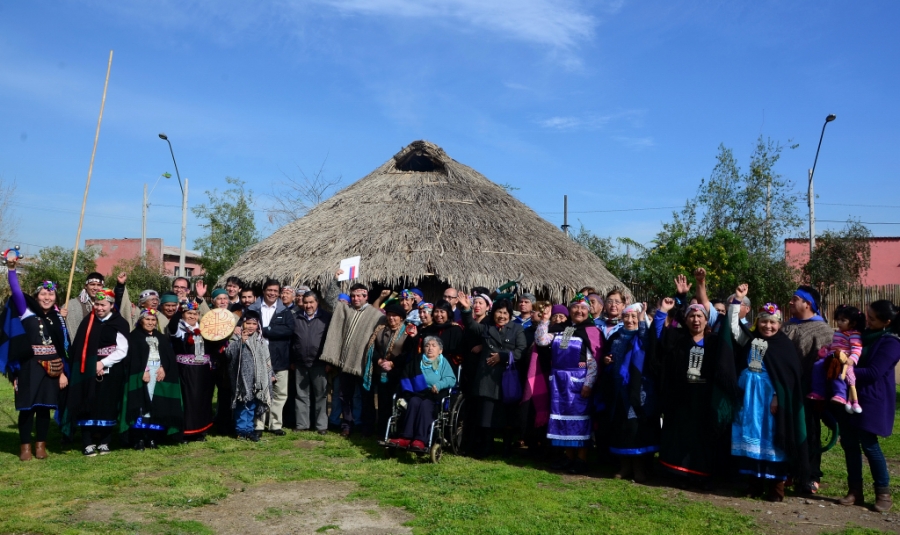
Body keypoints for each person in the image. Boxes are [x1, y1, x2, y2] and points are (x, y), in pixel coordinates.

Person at [729, 285, 809, 502]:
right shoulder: (751, 339)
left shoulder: (784, 346)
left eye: (773, 322)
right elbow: (734, 327)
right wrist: (738, 299)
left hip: (770, 400)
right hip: (748, 398)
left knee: (771, 438)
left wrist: (776, 396)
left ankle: (776, 488)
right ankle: (753, 484)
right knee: (750, 437)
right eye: (764, 321)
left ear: (780, 324)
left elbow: (788, 377)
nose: (768, 325)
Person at [654, 289, 737, 483]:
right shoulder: (677, 339)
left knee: (702, 437)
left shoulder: (715, 342)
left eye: (700, 316)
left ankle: (700, 475)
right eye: (692, 316)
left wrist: (736, 302)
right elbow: (658, 336)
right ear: (686, 319)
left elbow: (730, 330)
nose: (696, 320)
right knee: (678, 435)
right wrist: (670, 306)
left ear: (707, 320)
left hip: (704, 397)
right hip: (680, 397)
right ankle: (674, 472)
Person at [837, 300, 899, 512]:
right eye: (868, 315)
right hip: (850, 396)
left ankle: (883, 492)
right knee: (849, 444)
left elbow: (874, 372)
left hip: (871, 399)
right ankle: (855, 491)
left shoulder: (891, 343)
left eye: (872, 318)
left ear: (887, 322)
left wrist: (845, 371)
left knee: (869, 445)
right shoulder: (861, 335)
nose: (867, 320)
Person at [4, 257, 68, 461]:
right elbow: (15, 290)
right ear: (36, 295)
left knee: (44, 408)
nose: (47, 297)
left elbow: (63, 348)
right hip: (30, 366)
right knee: (27, 408)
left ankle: (40, 445)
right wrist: (11, 268)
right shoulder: (26, 311)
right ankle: (25, 447)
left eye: (51, 293)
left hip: (53, 366)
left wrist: (63, 373)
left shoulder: (59, 318)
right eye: (43, 293)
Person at [535, 294, 602, 474]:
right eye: (575, 307)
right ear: (569, 309)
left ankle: (581, 459)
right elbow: (541, 341)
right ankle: (569, 457)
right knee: (564, 420)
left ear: (588, 312)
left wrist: (589, 384)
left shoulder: (592, 331)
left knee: (580, 421)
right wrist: (545, 320)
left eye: (583, 309)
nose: (579, 311)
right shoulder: (562, 329)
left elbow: (593, 361)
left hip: (579, 382)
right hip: (559, 383)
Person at [458, 293, 527, 458]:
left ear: (510, 315)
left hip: (507, 380)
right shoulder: (487, 328)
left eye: (505, 313)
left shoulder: (517, 329)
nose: (502, 316)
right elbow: (471, 326)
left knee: (507, 417)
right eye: (499, 312)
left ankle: (506, 449)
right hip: (487, 379)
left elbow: (521, 351)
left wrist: (502, 356)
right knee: (486, 417)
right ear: (493, 313)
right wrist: (467, 309)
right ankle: (487, 447)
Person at [781, 285, 834, 494]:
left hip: (810, 390)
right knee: (786, 430)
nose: (791, 302)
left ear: (807, 304)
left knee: (809, 432)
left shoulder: (823, 331)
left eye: (795, 299)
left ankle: (811, 475)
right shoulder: (786, 326)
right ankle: (789, 472)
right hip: (786, 388)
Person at [68, 288, 130, 456]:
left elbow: (122, 350)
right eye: (97, 304)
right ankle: (87, 442)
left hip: (112, 370)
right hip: (87, 370)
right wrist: (92, 365)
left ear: (111, 305)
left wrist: (102, 363)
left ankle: (105, 441)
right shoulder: (88, 322)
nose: (99, 308)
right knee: (87, 403)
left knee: (107, 404)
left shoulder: (120, 323)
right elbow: (80, 347)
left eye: (103, 305)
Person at [321, 281, 386, 437]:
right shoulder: (346, 309)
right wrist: (336, 282)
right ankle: (347, 424)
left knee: (366, 397)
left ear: (366, 296)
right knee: (345, 396)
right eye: (353, 296)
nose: (356, 299)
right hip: (345, 363)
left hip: (364, 363)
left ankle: (366, 427)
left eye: (359, 296)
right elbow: (330, 300)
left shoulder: (375, 315)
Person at [605, 303, 659, 482]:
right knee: (621, 428)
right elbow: (608, 358)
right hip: (619, 389)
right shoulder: (616, 338)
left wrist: (643, 317)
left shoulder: (642, 336)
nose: (630, 320)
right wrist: (607, 361)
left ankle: (639, 468)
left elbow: (646, 335)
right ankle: (625, 466)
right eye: (626, 317)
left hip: (640, 390)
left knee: (637, 428)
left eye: (634, 317)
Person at [121, 308, 183, 449]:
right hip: (142, 374)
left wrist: (164, 368)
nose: (150, 322)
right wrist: (143, 370)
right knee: (143, 404)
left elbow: (168, 356)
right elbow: (132, 358)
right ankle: (139, 438)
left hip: (158, 373)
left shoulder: (161, 337)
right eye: (147, 319)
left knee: (157, 403)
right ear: (141, 320)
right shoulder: (134, 337)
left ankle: (152, 438)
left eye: (153, 320)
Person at [388, 336, 456, 452]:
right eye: (427, 345)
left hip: (434, 395)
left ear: (440, 350)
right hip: (416, 393)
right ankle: (406, 437)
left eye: (434, 346)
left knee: (425, 405)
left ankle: (420, 439)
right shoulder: (416, 361)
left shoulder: (444, 362)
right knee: (414, 402)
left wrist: (439, 385)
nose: (430, 348)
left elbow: (451, 379)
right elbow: (406, 376)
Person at [248, 279, 295, 436]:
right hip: (258, 356)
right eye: (270, 290)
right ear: (264, 290)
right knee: (260, 390)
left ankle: (275, 424)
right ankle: (259, 425)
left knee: (280, 393)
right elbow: (247, 328)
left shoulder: (285, 311)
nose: (272, 293)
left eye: (276, 291)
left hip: (280, 358)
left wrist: (267, 330)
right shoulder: (253, 309)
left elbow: (289, 331)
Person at [226, 310, 274, 442]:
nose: (251, 326)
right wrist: (240, 342)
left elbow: (266, 359)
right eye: (248, 323)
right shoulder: (236, 337)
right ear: (243, 324)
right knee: (242, 406)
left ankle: (249, 430)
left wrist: (271, 373)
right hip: (242, 381)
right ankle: (241, 431)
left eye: (254, 323)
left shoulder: (260, 340)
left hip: (257, 381)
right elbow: (228, 354)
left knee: (252, 405)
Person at [364, 303, 411, 438]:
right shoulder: (380, 329)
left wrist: (392, 363)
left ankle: (396, 433)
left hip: (397, 373)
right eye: (389, 315)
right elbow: (371, 348)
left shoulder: (408, 331)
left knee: (396, 403)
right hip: (380, 372)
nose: (391, 318)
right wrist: (379, 361)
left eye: (395, 316)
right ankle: (381, 432)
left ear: (401, 318)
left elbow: (407, 352)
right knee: (382, 404)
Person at [168, 301, 214, 440]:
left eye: (195, 313)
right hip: (186, 370)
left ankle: (200, 430)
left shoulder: (204, 329)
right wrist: (180, 305)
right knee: (188, 400)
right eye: (189, 313)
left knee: (202, 399)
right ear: (182, 314)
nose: (192, 316)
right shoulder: (179, 329)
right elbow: (172, 324)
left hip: (204, 371)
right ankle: (186, 432)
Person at [808, 305, 865, 413]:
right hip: (831, 356)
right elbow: (835, 345)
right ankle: (818, 392)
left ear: (853, 323)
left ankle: (840, 395)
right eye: (838, 319)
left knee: (837, 372)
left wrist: (852, 360)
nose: (839, 322)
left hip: (843, 359)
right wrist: (827, 348)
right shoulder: (838, 332)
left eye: (843, 320)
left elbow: (857, 349)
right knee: (817, 366)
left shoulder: (854, 335)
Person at [290, 290, 332, 435]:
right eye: (306, 302)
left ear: (317, 303)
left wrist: (328, 361)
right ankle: (302, 424)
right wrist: (293, 360)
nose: (308, 305)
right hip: (300, 363)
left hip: (319, 363)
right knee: (301, 395)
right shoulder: (295, 317)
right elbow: (292, 341)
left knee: (321, 395)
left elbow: (330, 341)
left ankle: (321, 426)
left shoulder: (326, 318)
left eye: (311, 302)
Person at [422, 300, 464, 370]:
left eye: (442, 311)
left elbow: (460, 354)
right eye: (436, 311)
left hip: (447, 368)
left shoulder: (455, 330)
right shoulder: (429, 329)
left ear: (448, 313)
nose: (438, 315)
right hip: (427, 367)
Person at [64, 271, 104, 343]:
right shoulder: (72, 305)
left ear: (103, 287)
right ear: (86, 286)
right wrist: (60, 315)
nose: (95, 288)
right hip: (81, 347)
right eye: (92, 284)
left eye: (99, 285)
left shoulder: (107, 305)